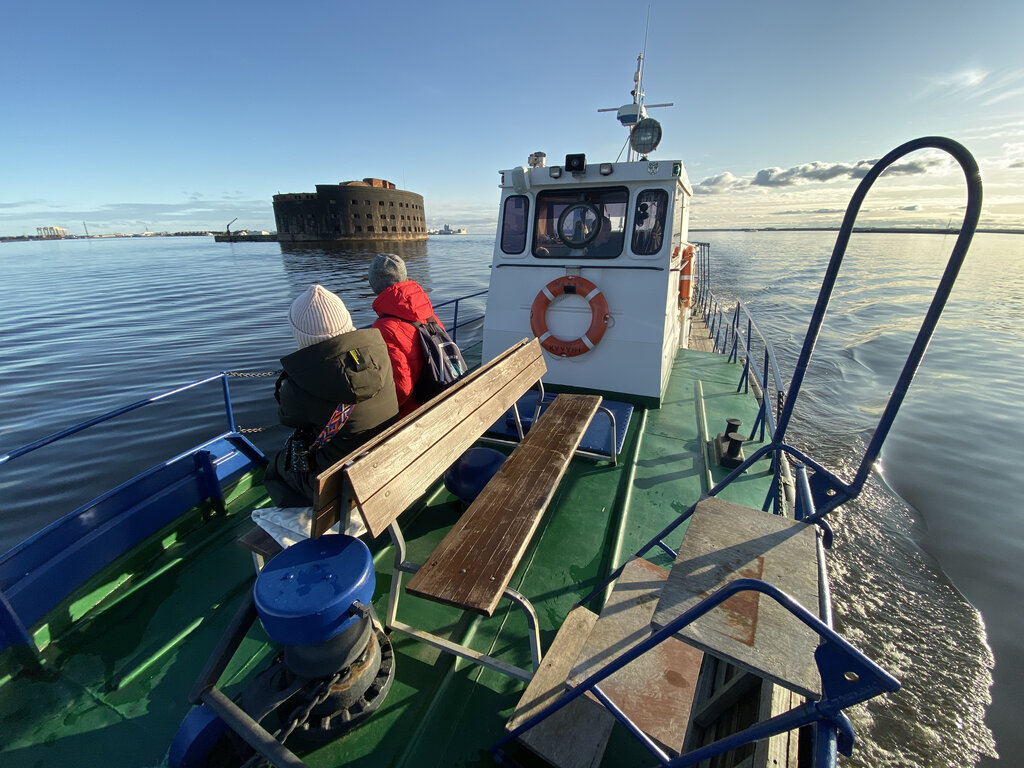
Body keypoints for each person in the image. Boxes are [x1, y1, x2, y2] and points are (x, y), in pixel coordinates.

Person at [263, 283, 399, 507]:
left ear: (300, 335)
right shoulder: (379, 352)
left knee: (278, 466)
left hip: (340, 484)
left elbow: (288, 418)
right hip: (387, 456)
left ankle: (300, 518)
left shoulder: (299, 383)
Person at [368, 253, 445, 416]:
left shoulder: (384, 328)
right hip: (439, 396)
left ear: (374, 284)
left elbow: (401, 388)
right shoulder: (429, 314)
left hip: (414, 412)